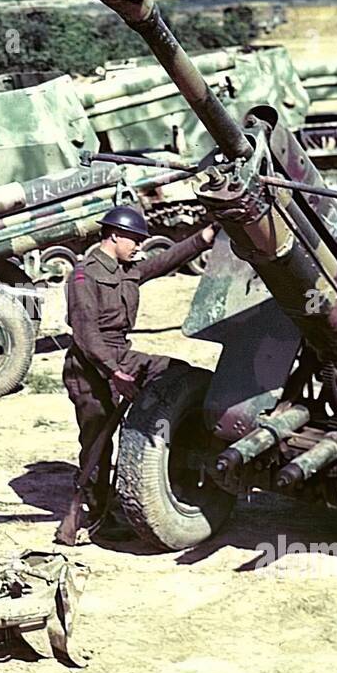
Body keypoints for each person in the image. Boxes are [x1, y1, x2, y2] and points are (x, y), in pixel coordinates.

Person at [59, 205, 216, 542]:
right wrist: (115, 373)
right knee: (97, 443)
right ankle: (98, 514)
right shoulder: (84, 275)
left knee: (177, 373)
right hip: (89, 369)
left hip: (120, 357)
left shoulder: (123, 269)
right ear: (113, 235)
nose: (139, 246)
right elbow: (86, 336)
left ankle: (161, 440)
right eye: (135, 240)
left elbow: (163, 262)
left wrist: (203, 238)